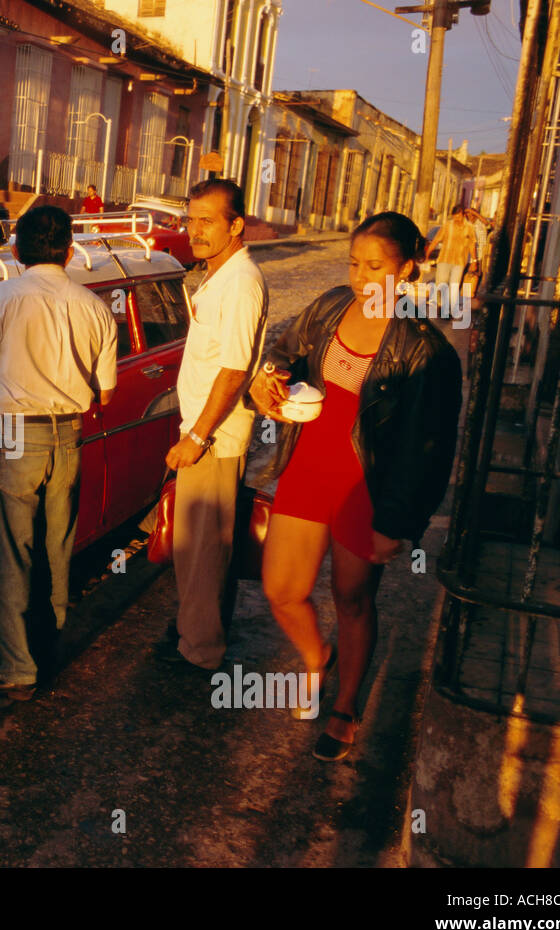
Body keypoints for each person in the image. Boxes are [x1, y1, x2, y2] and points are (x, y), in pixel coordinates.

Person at [249, 211, 462, 761]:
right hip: (307, 467)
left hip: (366, 485)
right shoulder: (328, 306)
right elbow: (284, 350)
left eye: (376, 266)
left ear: (409, 269)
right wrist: (268, 382)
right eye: (354, 263)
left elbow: (430, 450)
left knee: (352, 598)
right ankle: (319, 656)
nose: (362, 277)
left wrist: (399, 524)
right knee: (281, 589)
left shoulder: (426, 350)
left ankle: (345, 704)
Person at [0, 205, 117, 701]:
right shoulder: (93, 305)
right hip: (68, 435)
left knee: (7, 554)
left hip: (16, 434)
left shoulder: (0, 297)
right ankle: (48, 643)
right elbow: (105, 393)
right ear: (69, 252)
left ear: (17, 250)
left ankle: (16, 670)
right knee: (55, 547)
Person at [156, 179, 269, 674]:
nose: (194, 231)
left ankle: (200, 652)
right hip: (205, 433)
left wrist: (196, 437)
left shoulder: (241, 282)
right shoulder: (217, 276)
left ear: (236, 225)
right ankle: (194, 632)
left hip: (214, 439)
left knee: (203, 553)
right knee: (197, 548)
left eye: (207, 221)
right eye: (190, 219)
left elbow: (234, 369)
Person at [426, 203, 475, 309]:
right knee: (441, 283)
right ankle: (439, 303)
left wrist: (474, 261)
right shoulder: (447, 225)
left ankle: (448, 308)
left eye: (458, 216)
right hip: (444, 259)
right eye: (454, 216)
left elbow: (472, 245)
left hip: (459, 261)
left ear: (463, 214)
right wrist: (427, 254)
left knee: (454, 286)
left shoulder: (470, 228)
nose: (456, 218)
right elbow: (436, 240)